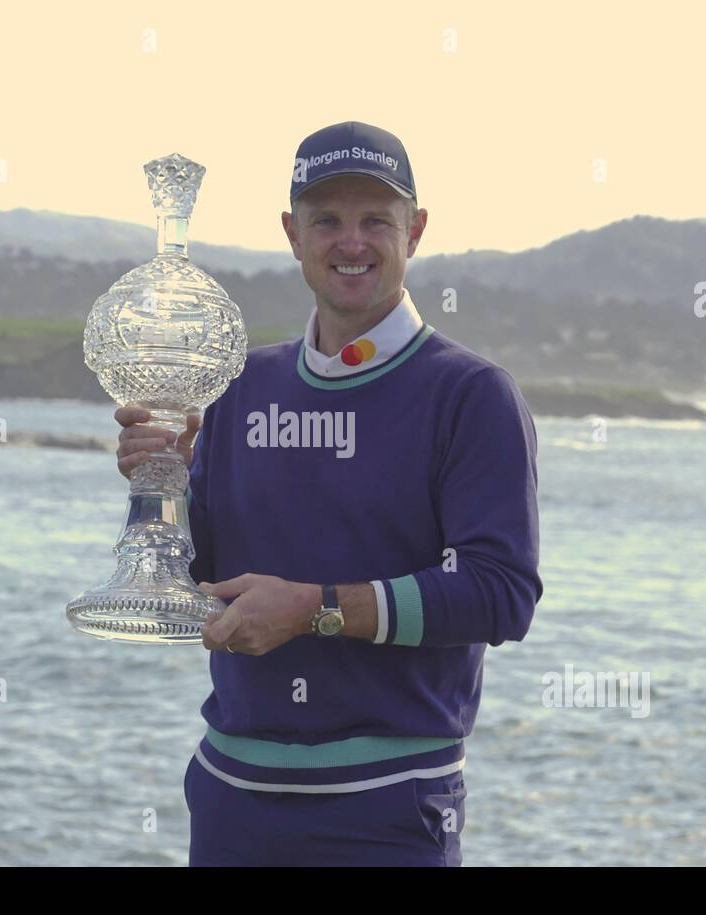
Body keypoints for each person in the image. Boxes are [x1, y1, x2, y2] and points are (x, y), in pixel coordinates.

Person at [114, 121, 543, 866]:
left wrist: (316, 609)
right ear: (291, 233)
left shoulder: (470, 395)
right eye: (327, 221)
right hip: (229, 794)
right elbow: (194, 582)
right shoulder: (240, 384)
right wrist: (160, 489)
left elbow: (499, 594)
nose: (352, 243)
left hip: (387, 804)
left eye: (376, 219)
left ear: (417, 230)